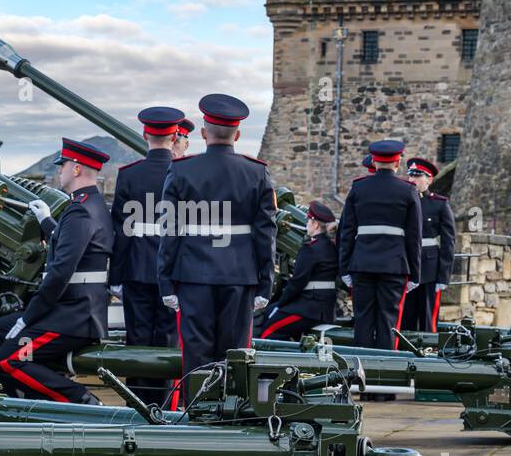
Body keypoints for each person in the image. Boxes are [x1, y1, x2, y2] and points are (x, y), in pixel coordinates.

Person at [157, 95, 276, 406]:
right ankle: (233, 413)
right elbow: (266, 234)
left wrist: (165, 282)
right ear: (237, 135)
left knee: (195, 350)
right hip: (240, 276)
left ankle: (196, 411)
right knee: (236, 352)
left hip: (192, 275)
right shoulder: (257, 173)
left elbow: (169, 231)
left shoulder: (182, 170)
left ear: (203, 133)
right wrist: (265, 283)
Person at [0, 138, 113, 403]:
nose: (59, 171)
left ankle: (82, 401)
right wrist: (47, 221)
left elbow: (60, 272)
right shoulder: (88, 205)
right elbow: (74, 244)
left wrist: (28, 317)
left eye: (63, 166)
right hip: (76, 310)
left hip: (75, 317)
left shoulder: (80, 211)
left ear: (77, 169)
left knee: (7, 361)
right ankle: (14, 403)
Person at [108, 107, 184, 405]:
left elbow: (121, 231)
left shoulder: (129, 174)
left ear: (144, 135)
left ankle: (134, 403)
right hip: (173, 271)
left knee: (137, 339)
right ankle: (162, 405)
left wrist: (116, 277)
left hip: (137, 268)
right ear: (175, 135)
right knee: (166, 341)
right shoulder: (184, 170)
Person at [338, 139, 421, 350]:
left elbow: (346, 232)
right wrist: (415, 273)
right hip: (394, 266)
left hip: (362, 264)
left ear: (374, 162)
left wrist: (344, 268)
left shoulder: (358, 188)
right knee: (388, 320)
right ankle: (387, 369)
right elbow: (414, 237)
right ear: (398, 162)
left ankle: (359, 368)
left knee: (363, 320)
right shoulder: (408, 190)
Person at [255, 200, 339, 341]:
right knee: (271, 311)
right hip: (324, 308)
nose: (307, 224)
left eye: (308, 221)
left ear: (316, 224)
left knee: (268, 333)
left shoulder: (310, 249)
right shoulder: (331, 247)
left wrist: (281, 304)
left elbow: (298, 282)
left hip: (308, 308)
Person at [401, 157, 456, 332]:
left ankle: (429, 351)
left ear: (429, 179)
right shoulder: (403, 201)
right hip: (407, 266)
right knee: (405, 316)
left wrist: (443, 276)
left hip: (429, 268)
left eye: (418, 176)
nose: (412, 180)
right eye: (411, 176)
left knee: (428, 318)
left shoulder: (439, 204)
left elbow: (448, 242)